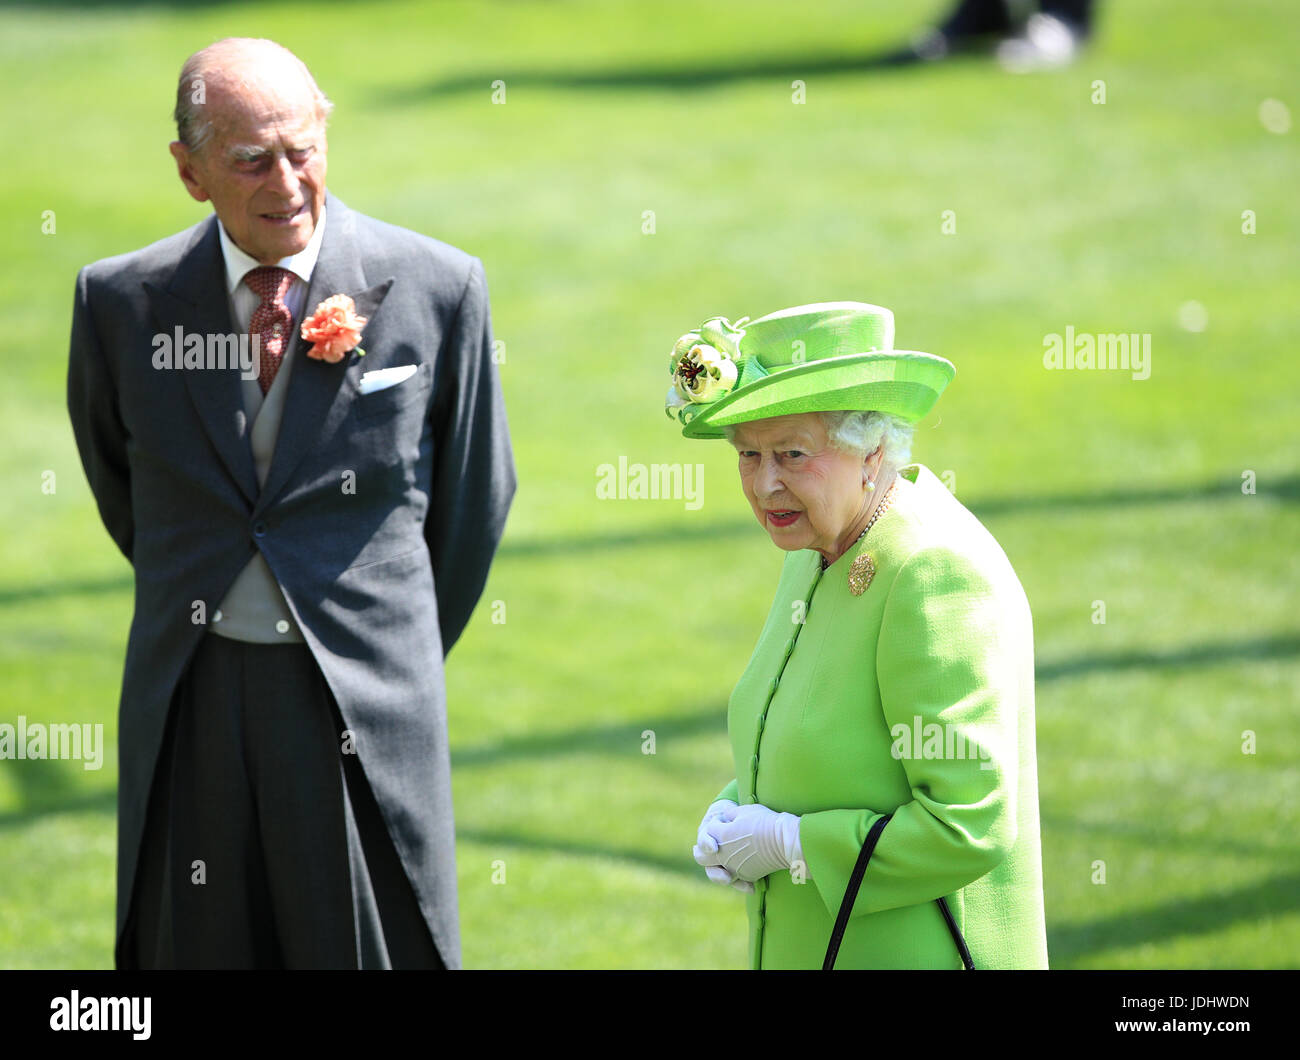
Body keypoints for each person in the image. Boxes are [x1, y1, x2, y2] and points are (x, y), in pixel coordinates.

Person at [66, 37, 515, 968]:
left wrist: (384, 644)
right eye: (250, 160)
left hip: (359, 700)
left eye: (302, 149)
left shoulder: (439, 287)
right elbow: (127, 489)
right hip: (192, 692)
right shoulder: (121, 303)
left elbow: (474, 504)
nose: (287, 181)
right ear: (191, 173)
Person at [671, 303, 1048, 968]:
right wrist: (738, 809)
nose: (766, 484)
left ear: (871, 451)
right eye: (748, 455)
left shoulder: (931, 570)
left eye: (792, 453)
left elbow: (969, 824)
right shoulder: (815, 546)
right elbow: (828, 742)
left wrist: (793, 844)